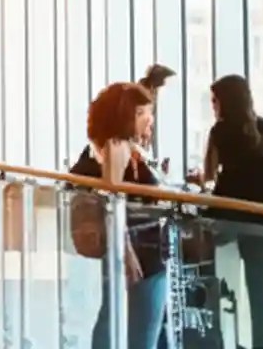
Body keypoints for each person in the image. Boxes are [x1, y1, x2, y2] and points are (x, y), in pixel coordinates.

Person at [69, 82, 166, 349]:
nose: (151, 119)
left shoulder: (111, 148)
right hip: (143, 252)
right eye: (144, 113)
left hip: (135, 249)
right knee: (142, 330)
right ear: (128, 116)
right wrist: (127, 253)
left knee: (114, 315)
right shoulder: (117, 147)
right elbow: (114, 202)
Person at [193, 75, 263, 347]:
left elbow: (210, 177)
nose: (213, 106)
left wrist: (199, 181)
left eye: (215, 101)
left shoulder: (220, 131)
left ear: (226, 101)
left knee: (238, 289)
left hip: (232, 222)